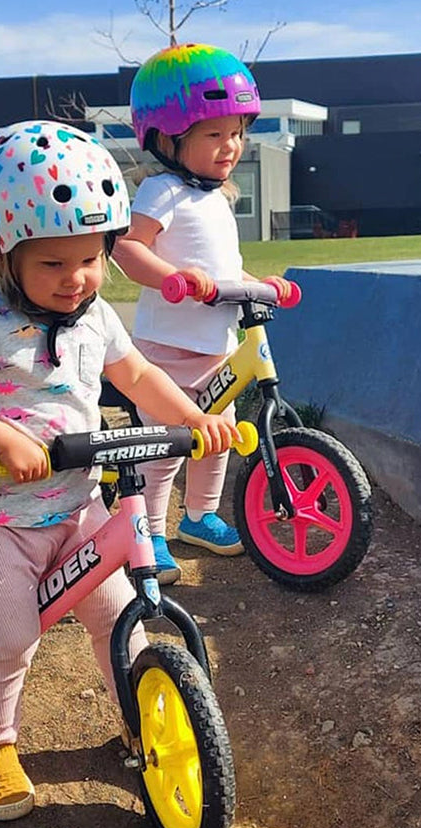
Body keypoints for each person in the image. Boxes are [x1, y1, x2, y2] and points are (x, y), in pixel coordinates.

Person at [0, 120, 237, 822]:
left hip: (79, 502)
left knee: (119, 616)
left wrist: (194, 420)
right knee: (11, 636)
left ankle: (141, 721)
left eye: (88, 259)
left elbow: (140, 374)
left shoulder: (97, 319)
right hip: (1, 518)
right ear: (5, 258)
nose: (75, 279)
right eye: (52, 264)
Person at [114, 43, 292, 585]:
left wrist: (259, 285)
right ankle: (151, 536)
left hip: (216, 343)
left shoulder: (217, 199)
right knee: (165, 446)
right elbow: (127, 248)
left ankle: (200, 517)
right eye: (214, 134)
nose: (230, 146)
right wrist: (171, 279)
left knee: (222, 433)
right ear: (167, 137)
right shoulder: (161, 190)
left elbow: (226, 267)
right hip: (166, 348)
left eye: (236, 133)